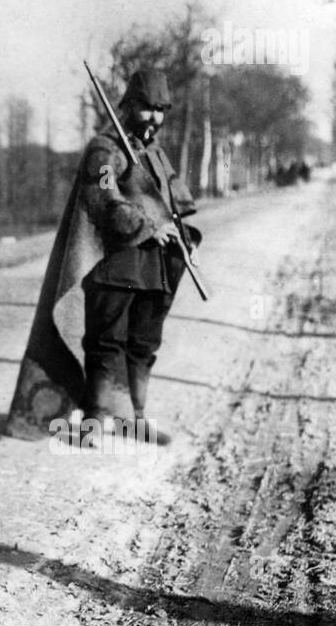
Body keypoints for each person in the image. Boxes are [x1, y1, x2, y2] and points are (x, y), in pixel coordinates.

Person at [15, 68, 201, 446]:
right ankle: (95, 420)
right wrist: (149, 225)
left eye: (161, 110)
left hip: (155, 267)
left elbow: (174, 204)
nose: (155, 118)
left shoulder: (155, 154)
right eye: (147, 108)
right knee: (106, 341)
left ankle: (134, 418)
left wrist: (182, 236)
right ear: (129, 105)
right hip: (114, 262)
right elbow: (103, 200)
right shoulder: (105, 148)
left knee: (144, 343)